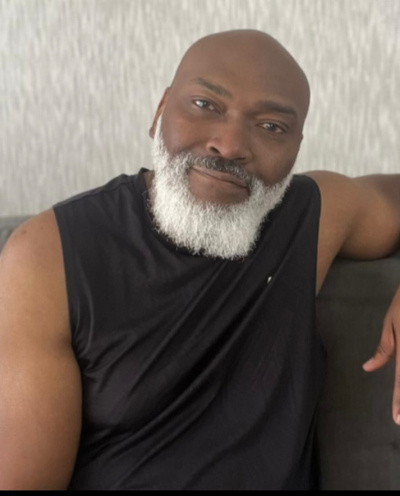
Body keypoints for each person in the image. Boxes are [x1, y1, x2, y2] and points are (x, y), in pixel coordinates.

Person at [0, 28, 399, 491]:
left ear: (296, 149)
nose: (229, 146)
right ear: (159, 112)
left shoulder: (310, 216)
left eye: (272, 127)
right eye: (205, 104)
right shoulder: (47, 256)